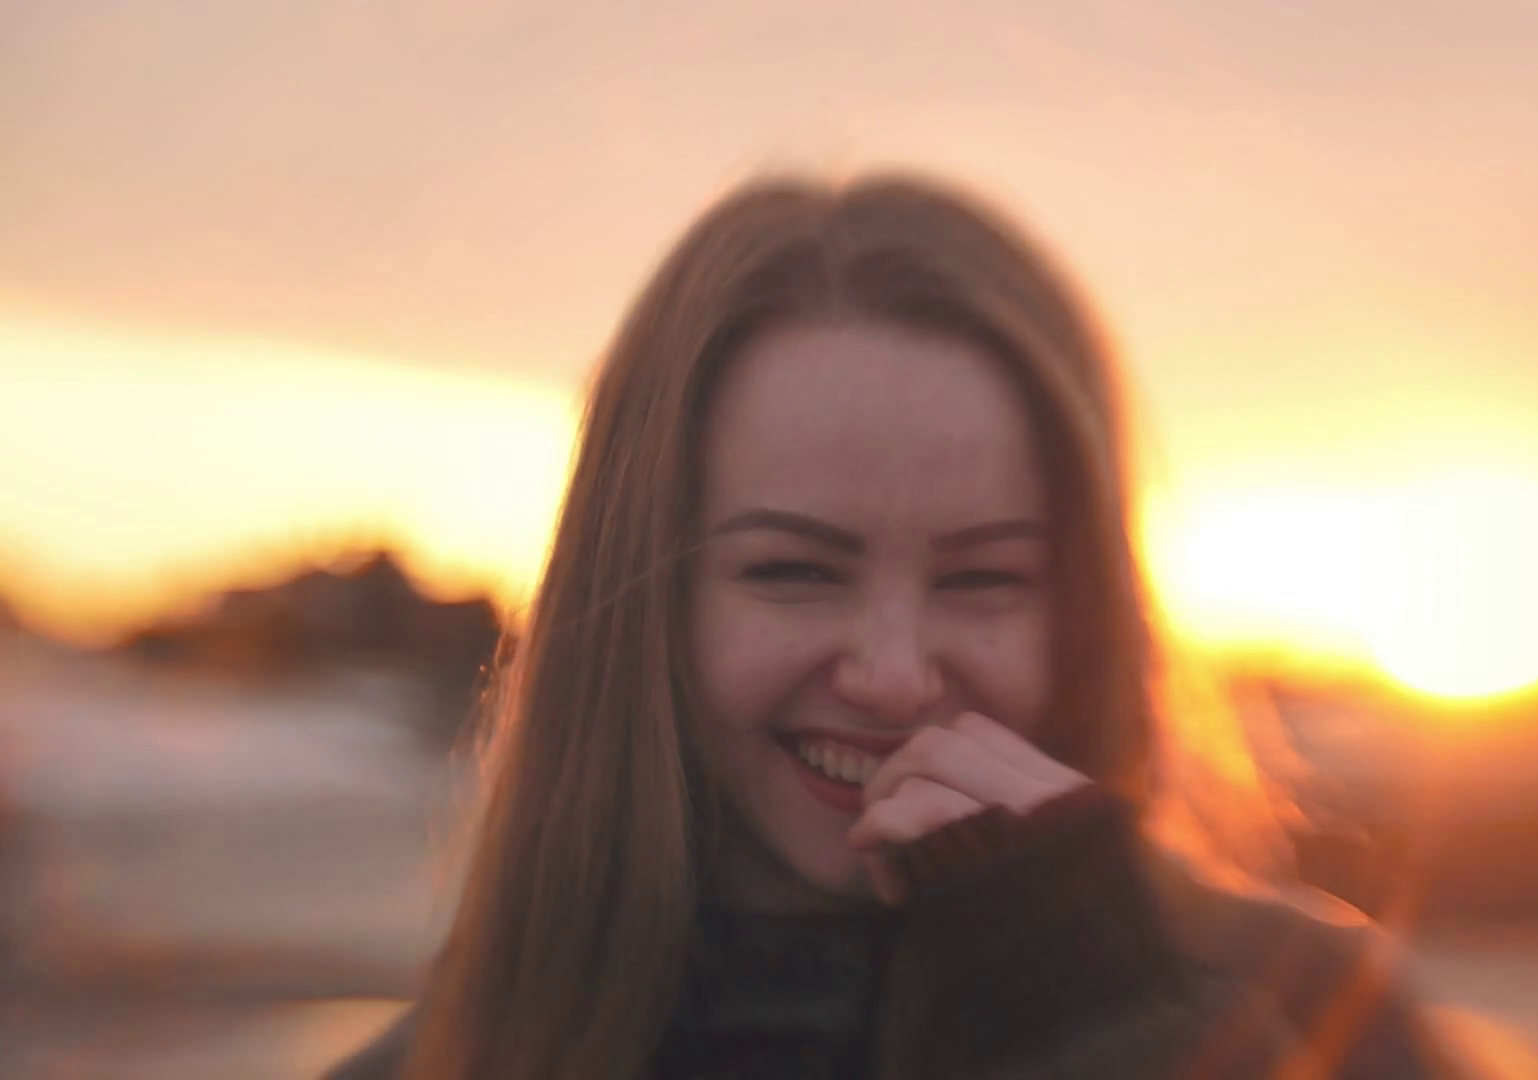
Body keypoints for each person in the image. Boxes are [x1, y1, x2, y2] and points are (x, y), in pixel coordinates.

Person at [325, 173, 1464, 1079]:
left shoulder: (1321, 1017)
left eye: (983, 580)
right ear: (644, 605)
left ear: (1085, 608)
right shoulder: (446, 1062)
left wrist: (1099, 1031)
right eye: (793, 570)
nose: (893, 674)